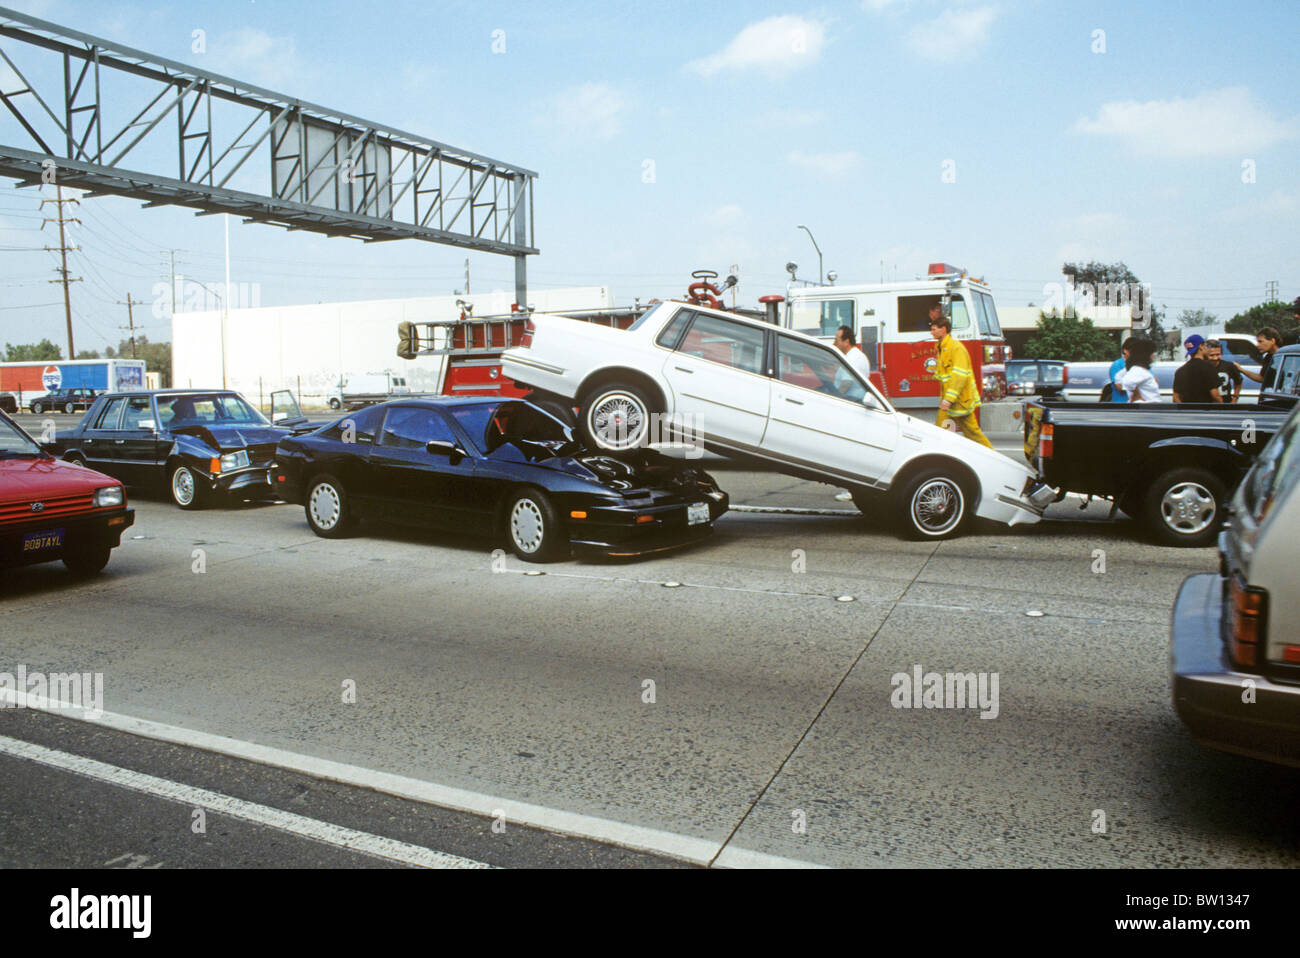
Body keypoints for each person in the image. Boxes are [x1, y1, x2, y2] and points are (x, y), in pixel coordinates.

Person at [929, 306, 993, 448]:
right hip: (950, 403)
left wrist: (948, 399)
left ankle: (992, 456)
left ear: (943, 329)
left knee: (973, 433)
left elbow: (959, 377)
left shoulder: (956, 348)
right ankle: (941, 456)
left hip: (960, 401)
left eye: (934, 329)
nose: (931, 332)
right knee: (940, 432)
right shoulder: (941, 347)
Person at [1172, 335, 1223, 403]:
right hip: (1205, 411)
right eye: (1206, 346)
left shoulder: (1180, 371)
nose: (1207, 348)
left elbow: (1176, 398)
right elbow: (1216, 396)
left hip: (1187, 412)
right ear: (1201, 346)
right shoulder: (1208, 368)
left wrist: (1184, 410)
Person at [1236, 326, 1282, 390]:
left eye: (1260, 341)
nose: (1257, 345)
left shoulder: (1284, 356)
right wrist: (1241, 369)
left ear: (1272, 341)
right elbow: (1262, 378)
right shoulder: (1268, 357)